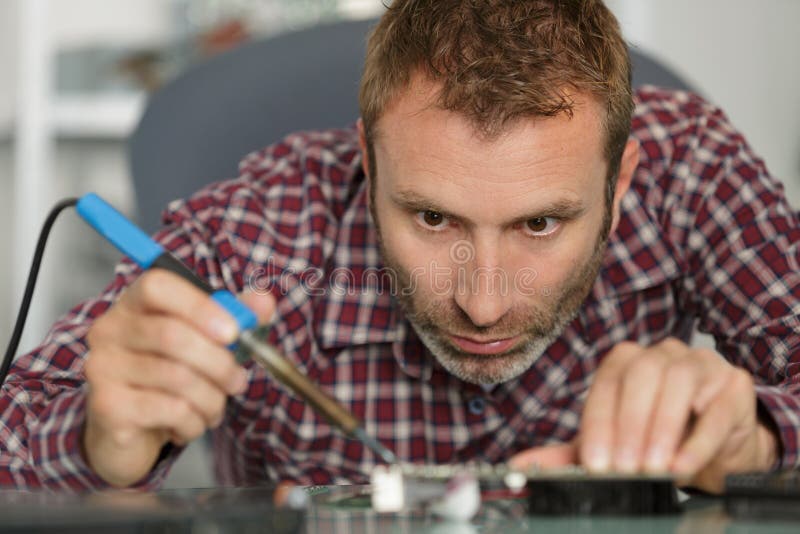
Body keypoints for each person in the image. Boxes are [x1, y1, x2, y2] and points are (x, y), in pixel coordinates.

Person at [1, 0, 798, 493]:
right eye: (434, 219)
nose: (482, 305)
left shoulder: (690, 168)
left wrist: (758, 432)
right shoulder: (254, 229)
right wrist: (97, 440)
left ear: (621, 182)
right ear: (367, 160)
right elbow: (16, 434)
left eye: (540, 224)